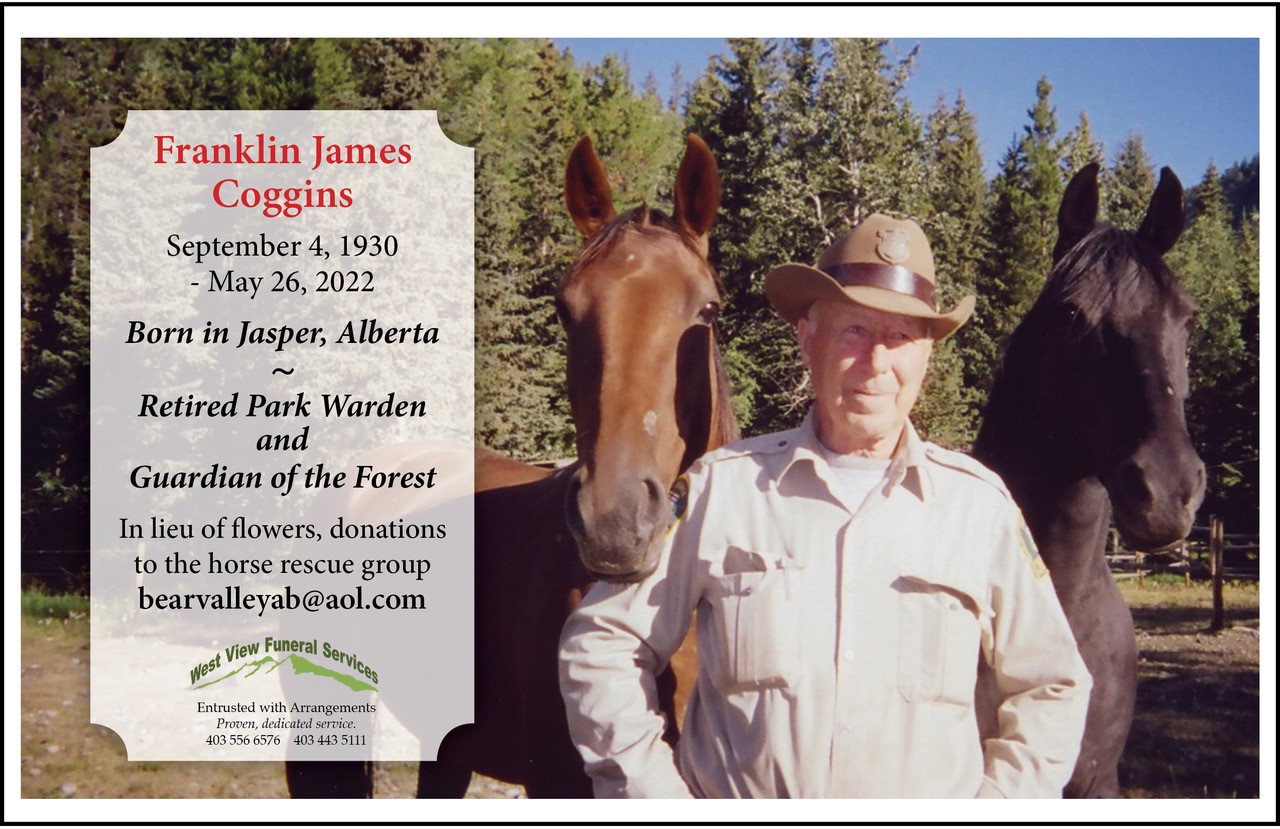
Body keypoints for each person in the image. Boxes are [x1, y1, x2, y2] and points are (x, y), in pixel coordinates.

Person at [558, 213, 1092, 798]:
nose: (878, 364)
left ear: (926, 357)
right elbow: (601, 644)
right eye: (856, 331)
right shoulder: (723, 491)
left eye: (903, 338)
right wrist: (655, 800)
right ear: (808, 338)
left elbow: (1053, 685)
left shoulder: (978, 508)